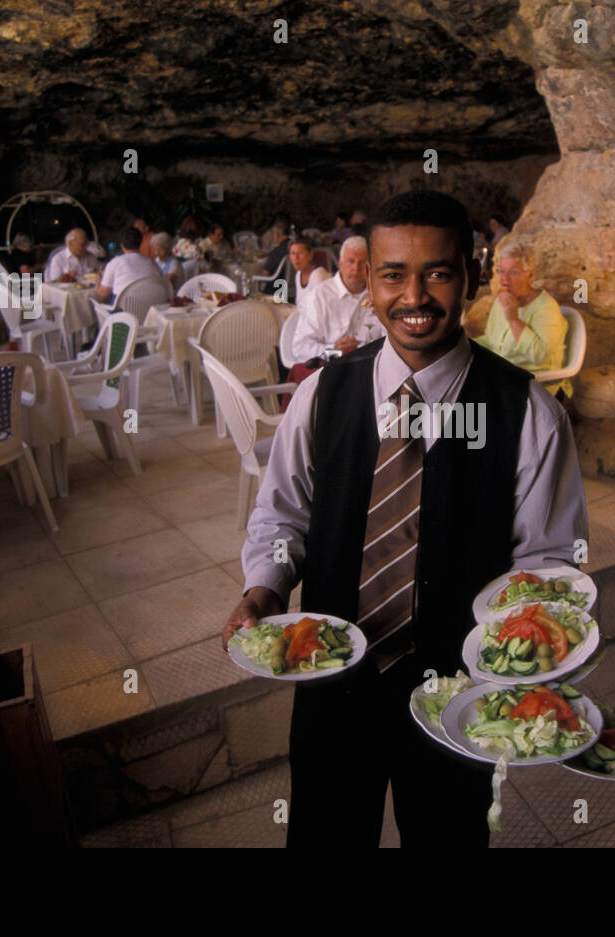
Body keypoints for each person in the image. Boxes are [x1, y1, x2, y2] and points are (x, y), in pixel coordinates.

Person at [223, 189, 587, 848]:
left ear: (470, 278)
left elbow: (547, 567)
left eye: (438, 272)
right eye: (393, 274)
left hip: (457, 700)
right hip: (332, 689)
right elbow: (281, 512)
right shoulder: (321, 394)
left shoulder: (527, 413)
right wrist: (265, 586)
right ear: (370, 283)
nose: (413, 295)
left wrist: (536, 662)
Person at [470, 239, 570, 396]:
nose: (504, 279)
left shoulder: (546, 308)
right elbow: (491, 342)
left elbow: (541, 357)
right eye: (501, 271)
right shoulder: (501, 301)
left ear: (530, 276)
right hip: (505, 379)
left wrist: (513, 319)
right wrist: (465, 344)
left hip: (540, 386)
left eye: (514, 272)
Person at [290, 236, 376, 366]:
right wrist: (333, 351)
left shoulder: (378, 295)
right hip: (331, 368)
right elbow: (300, 348)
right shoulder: (320, 296)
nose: (356, 268)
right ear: (340, 264)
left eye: (362, 262)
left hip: (370, 366)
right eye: (350, 261)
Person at [96, 225, 160, 302]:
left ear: (122, 245)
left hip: (124, 312)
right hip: (149, 309)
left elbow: (103, 294)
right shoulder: (152, 263)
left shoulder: (115, 263)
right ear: (141, 243)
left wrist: (99, 282)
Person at [288, 237, 329, 303]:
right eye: (293, 253)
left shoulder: (318, 275)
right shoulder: (298, 274)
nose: (296, 258)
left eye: (300, 253)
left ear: (310, 255)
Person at [258, 223, 291, 295]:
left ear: (277, 234)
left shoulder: (277, 251)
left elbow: (265, 274)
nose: (272, 236)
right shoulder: (293, 247)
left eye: (273, 234)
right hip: (292, 288)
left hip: (275, 290)